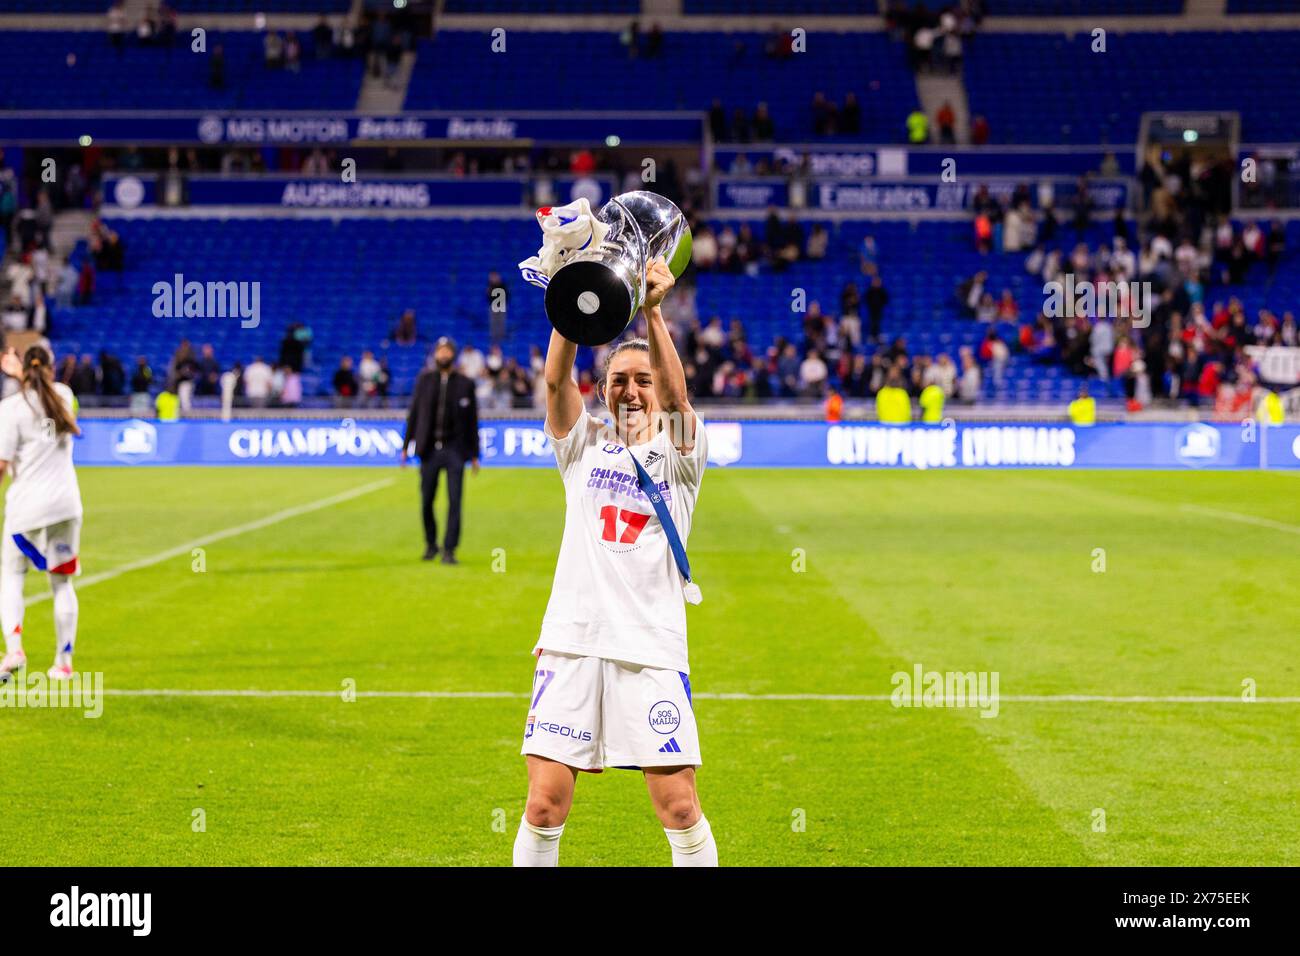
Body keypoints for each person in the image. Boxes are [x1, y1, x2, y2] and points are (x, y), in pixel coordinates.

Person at [516, 259, 716, 868]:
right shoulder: (583, 446)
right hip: (572, 642)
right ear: (603, 389)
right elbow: (555, 384)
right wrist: (569, 295)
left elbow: (680, 396)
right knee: (545, 804)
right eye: (619, 379)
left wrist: (653, 309)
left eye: (642, 379)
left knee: (678, 806)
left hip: (649, 647)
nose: (631, 390)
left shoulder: (682, 456)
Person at [0, 346, 83, 683]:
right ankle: (63, 663)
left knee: (12, 576)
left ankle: (15, 650)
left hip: (26, 509)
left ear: (23, 369)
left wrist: (17, 375)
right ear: (51, 368)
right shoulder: (64, 394)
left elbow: (2, 466)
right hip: (66, 506)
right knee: (62, 583)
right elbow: (43, 398)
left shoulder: (9, 408)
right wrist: (23, 373)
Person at [402, 338, 480, 564]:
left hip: (455, 449)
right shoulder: (424, 380)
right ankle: (430, 544)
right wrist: (406, 446)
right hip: (429, 450)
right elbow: (414, 413)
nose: (443, 354)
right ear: (435, 354)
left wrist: (474, 454)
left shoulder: (465, 383)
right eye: (440, 350)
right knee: (427, 500)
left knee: (455, 501)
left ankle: (449, 550)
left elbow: (473, 421)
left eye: (447, 351)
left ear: (453, 355)